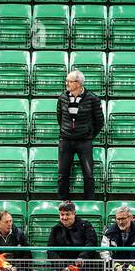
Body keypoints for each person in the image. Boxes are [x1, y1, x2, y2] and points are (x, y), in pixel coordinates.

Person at [57, 69, 104, 199]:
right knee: (62, 174)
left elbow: (99, 121)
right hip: (66, 140)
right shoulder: (62, 97)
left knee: (88, 174)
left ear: (78, 83)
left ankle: (89, 202)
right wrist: (66, 131)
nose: (66, 83)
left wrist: (89, 134)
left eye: (69, 81)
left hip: (84, 141)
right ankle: (63, 202)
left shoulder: (92, 98)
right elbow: (60, 118)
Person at [46, 200, 100, 271]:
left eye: (67, 214)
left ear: (74, 213)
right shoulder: (56, 229)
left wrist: (82, 257)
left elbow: (91, 243)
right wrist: (62, 268)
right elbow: (51, 251)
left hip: (85, 268)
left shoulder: (86, 225)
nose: (64, 217)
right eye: (62, 215)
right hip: (64, 267)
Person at [101, 204, 135, 271]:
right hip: (114, 265)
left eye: (123, 218)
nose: (121, 222)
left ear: (131, 217)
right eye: (118, 219)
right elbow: (104, 253)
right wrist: (116, 266)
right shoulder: (109, 232)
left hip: (134, 267)